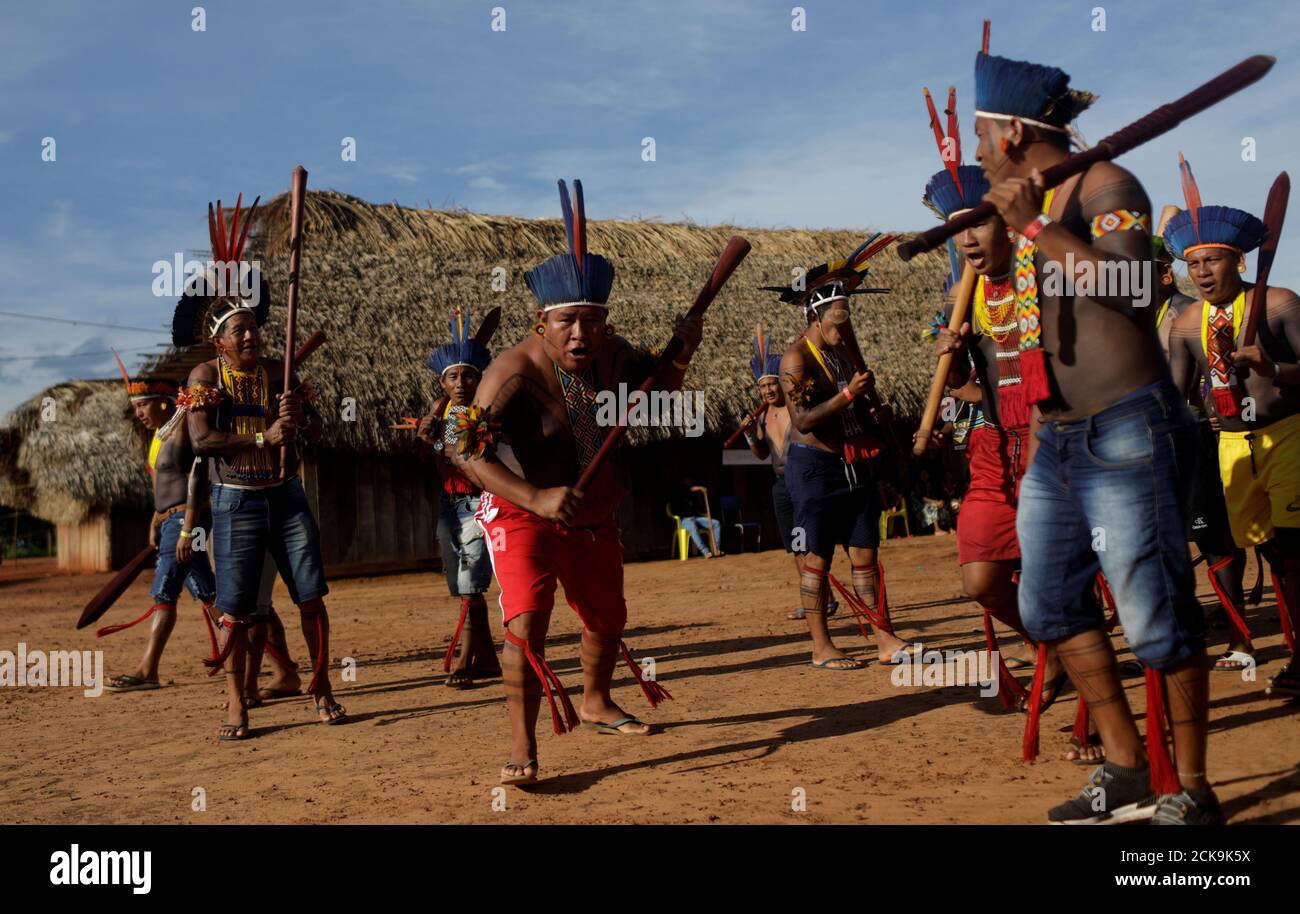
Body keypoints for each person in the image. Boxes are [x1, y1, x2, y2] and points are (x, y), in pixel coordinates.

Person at [974, 45, 1213, 824]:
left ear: (1011, 131)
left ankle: (1191, 790)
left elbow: (1136, 287)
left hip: (1128, 427)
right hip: (1057, 440)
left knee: (1155, 616)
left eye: (980, 137)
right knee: (1049, 607)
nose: (976, 154)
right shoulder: (1025, 204)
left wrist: (1036, 223)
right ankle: (1124, 765)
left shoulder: (1110, 185)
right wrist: (1011, 238)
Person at [450, 180, 695, 785]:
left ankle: (595, 700)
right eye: (568, 323)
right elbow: (462, 450)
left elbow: (660, 393)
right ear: (542, 320)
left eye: (592, 321)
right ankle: (522, 747)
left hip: (591, 515)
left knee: (608, 619)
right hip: (520, 512)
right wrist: (535, 496)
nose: (580, 335)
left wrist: (682, 354)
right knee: (527, 624)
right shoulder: (509, 374)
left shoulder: (612, 354)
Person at [172, 195, 344, 739]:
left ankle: (321, 690)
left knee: (311, 596)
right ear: (218, 340)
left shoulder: (280, 371)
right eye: (237, 331)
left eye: (253, 327)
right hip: (235, 499)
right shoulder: (204, 377)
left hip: (286, 495)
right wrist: (263, 433)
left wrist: (296, 422)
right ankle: (237, 705)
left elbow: (317, 433)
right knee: (240, 612)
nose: (250, 336)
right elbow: (202, 441)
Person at [1164, 158, 1299, 700]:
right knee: (1267, 550)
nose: (1201, 273)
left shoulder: (1280, 303)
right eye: (1193, 264)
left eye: (1212, 261)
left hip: (1287, 431)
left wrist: (1273, 369)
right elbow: (1175, 397)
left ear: (1237, 260)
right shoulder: (1185, 324)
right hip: (1228, 444)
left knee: (1292, 549)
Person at [773, 239, 915, 668]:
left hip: (852, 464)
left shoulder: (842, 355)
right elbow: (803, 420)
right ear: (815, 317)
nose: (843, 327)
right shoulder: (795, 360)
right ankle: (821, 646)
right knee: (815, 558)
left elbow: (856, 410)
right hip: (813, 468)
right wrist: (849, 394)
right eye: (837, 320)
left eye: (846, 319)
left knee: (865, 553)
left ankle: (884, 638)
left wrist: (875, 415)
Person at [1154, 194, 1255, 672]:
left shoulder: (1186, 314)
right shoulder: (1128, 322)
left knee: (1217, 537)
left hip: (1212, 438)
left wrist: (1210, 407)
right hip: (1163, 440)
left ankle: (1241, 636)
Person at [101, 369, 218, 692]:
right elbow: (164, 483)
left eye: (143, 405)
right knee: (208, 594)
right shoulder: (160, 435)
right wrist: (157, 518)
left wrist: (185, 529)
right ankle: (254, 653)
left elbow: (196, 477)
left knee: (164, 592)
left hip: (184, 521)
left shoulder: (183, 429)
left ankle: (147, 669)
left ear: (164, 404)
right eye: (135, 406)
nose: (138, 413)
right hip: (172, 521)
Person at [417, 308, 500, 689]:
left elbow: (467, 455)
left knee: (470, 585)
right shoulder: (441, 410)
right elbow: (429, 459)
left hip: (477, 502)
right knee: (462, 586)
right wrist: (425, 437)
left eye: (469, 374)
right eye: (453, 376)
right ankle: (488, 661)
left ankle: (466, 661)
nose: (462, 382)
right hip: (448, 504)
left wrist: (439, 440)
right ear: (443, 382)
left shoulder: (485, 411)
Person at [740, 328, 835, 619]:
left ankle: (825, 597)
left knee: (814, 544)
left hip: (805, 482)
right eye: (763, 387)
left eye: (772, 384)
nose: (768, 391)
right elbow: (763, 455)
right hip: (782, 486)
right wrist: (750, 436)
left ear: (781, 384)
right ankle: (814, 599)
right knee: (796, 546)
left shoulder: (796, 409)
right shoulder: (762, 418)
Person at [669, 477, 722, 558]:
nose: (689, 483)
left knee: (715, 523)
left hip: (696, 518)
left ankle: (716, 549)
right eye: (687, 481)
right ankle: (705, 551)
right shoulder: (677, 494)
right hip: (685, 520)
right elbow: (687, 491)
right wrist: (700, 488)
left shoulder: (691, 495)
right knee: (693, 526)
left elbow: (697, 509)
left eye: (690, 481)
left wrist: (704, 515)